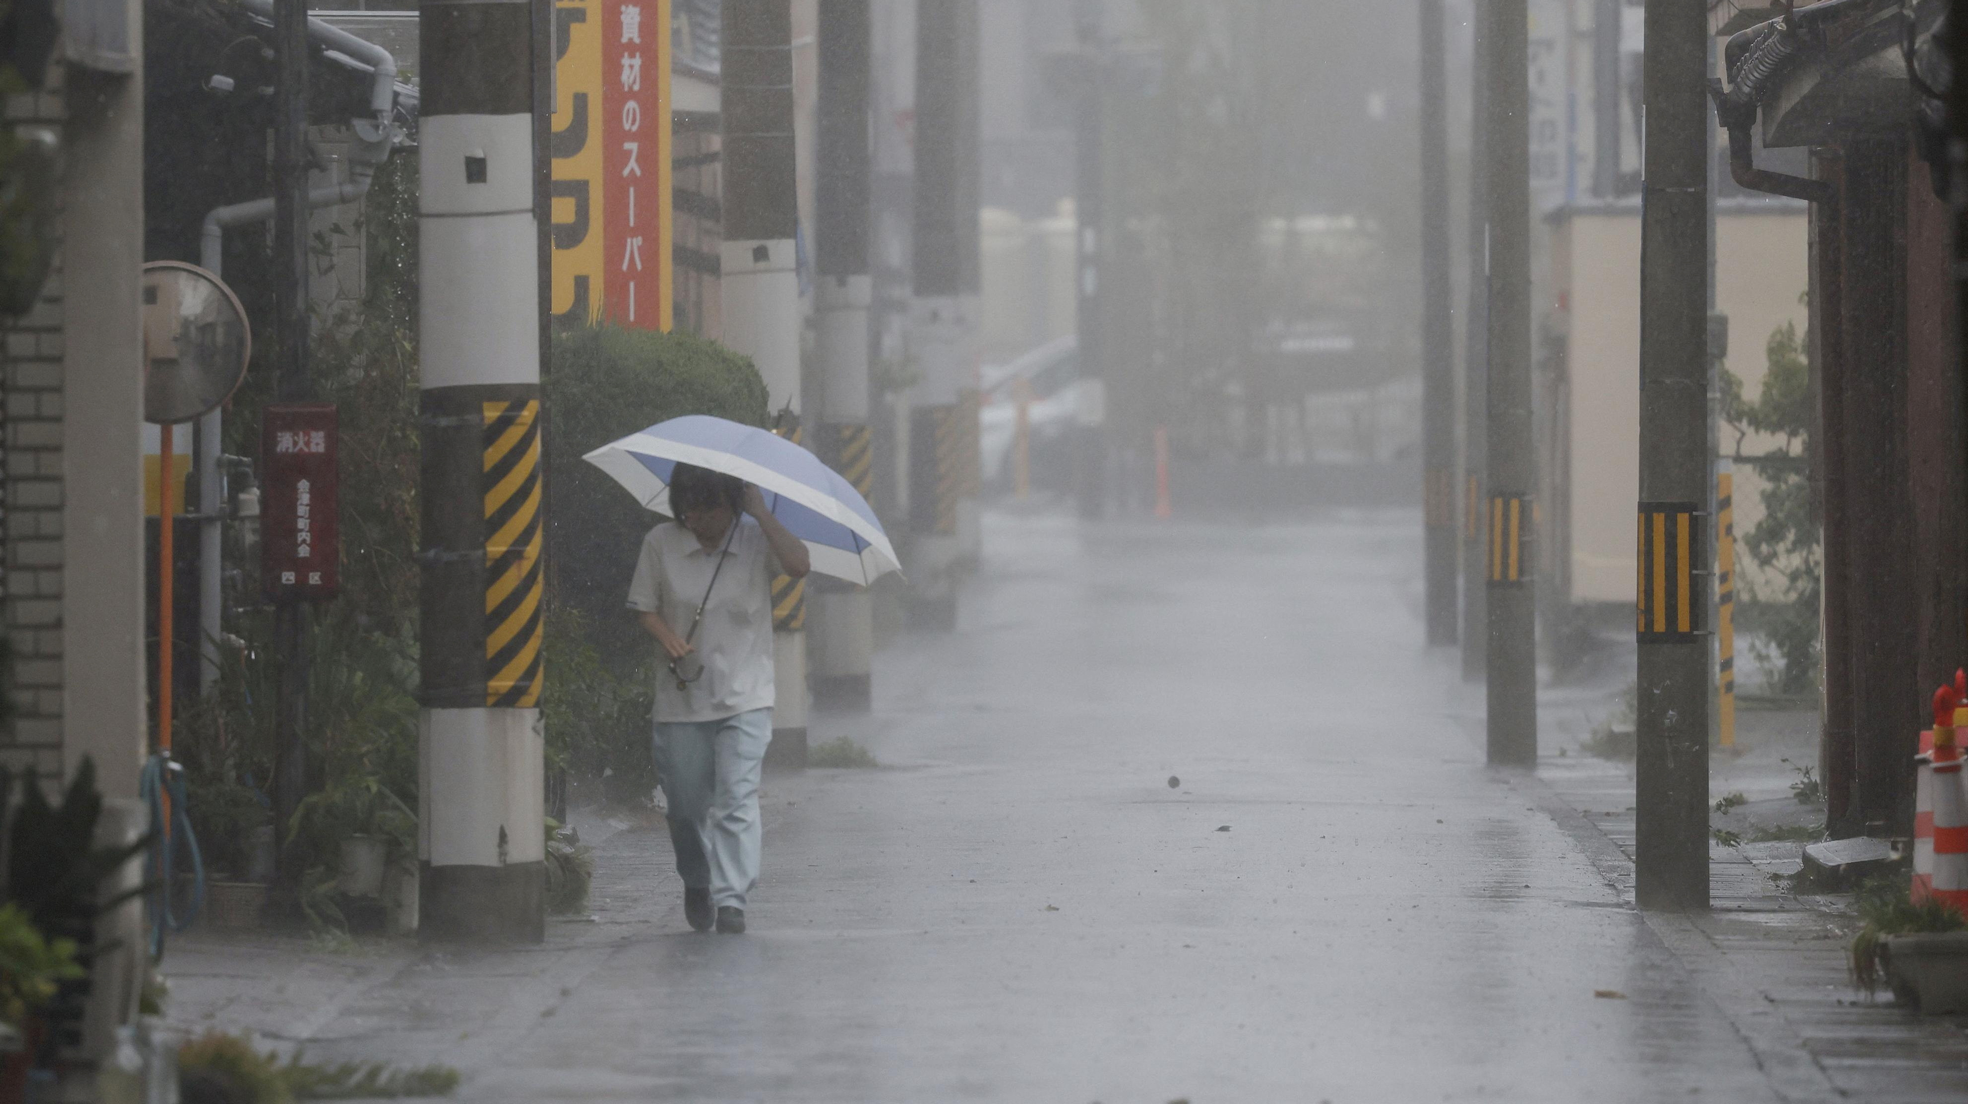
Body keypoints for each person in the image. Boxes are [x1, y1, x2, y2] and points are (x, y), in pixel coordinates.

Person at [626, 463, 810, 933]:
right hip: (681, 701)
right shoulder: (660, 544)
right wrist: (667, 638)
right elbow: (644, 608)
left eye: (707, 508)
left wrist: (761, 514)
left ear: (729, 504)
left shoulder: (753, 539)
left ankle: (732, 900)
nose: (696, 519)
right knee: (685, 808)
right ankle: (697, 878)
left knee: (736, 797)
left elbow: (799, 565)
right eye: (687, 509)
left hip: (746, 695)